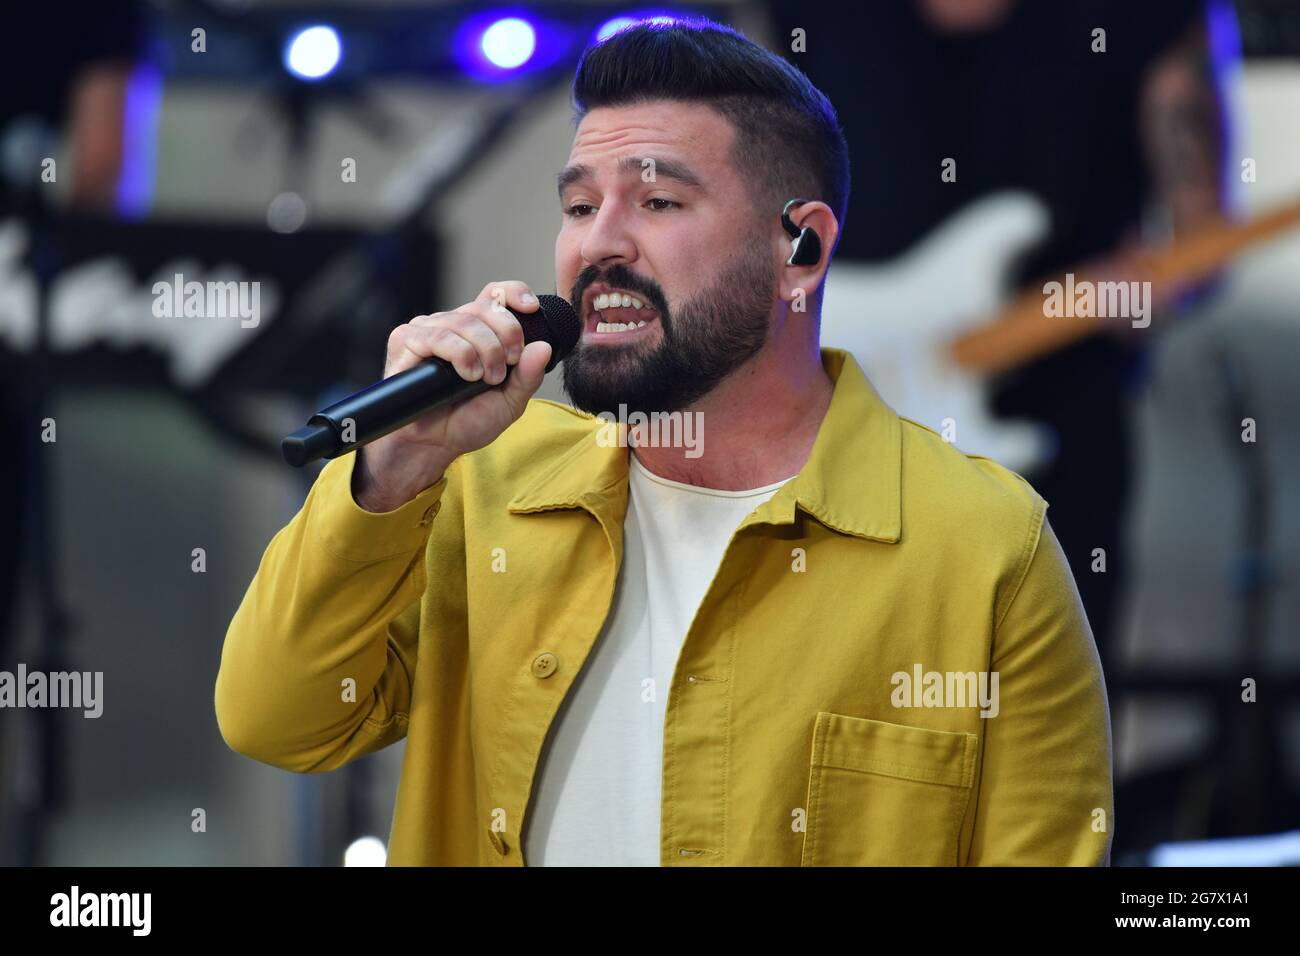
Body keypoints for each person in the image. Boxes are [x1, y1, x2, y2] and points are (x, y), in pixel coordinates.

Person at [216, 19, 1112, 866]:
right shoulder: (476, 490)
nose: (598, 244)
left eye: (657, 199)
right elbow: (277, 721)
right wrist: (395, 468)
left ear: (801, 249)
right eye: (577, 206)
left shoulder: (983, 548)